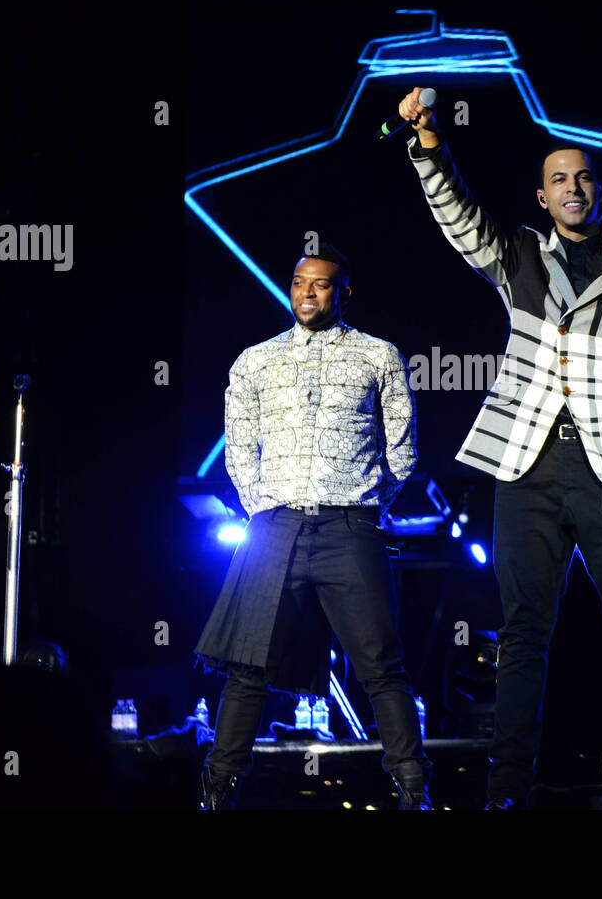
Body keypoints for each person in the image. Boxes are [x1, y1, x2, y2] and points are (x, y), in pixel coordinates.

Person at [397, 87, 602, 810]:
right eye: (559, 180)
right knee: (523, 633)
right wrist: (428, 145)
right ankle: (508, 792)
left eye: (584, 178)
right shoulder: (518, 258)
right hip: (528, 465)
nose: (573, 188)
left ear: (599, 191)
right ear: (542, 198)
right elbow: (459, 217)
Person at [194, 243, 432, 809]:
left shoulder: (379, 356)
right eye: (300, 282)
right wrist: (262, 507)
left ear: (342, 292)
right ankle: (217, 792)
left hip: (349, 527)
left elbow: (401, 448)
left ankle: (414, 789)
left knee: (382, 665)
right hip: (273, 527)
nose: (308, 293)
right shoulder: (254, 360)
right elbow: (238, 451)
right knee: (247, 668)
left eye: (321, 284)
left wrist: (366, 503)